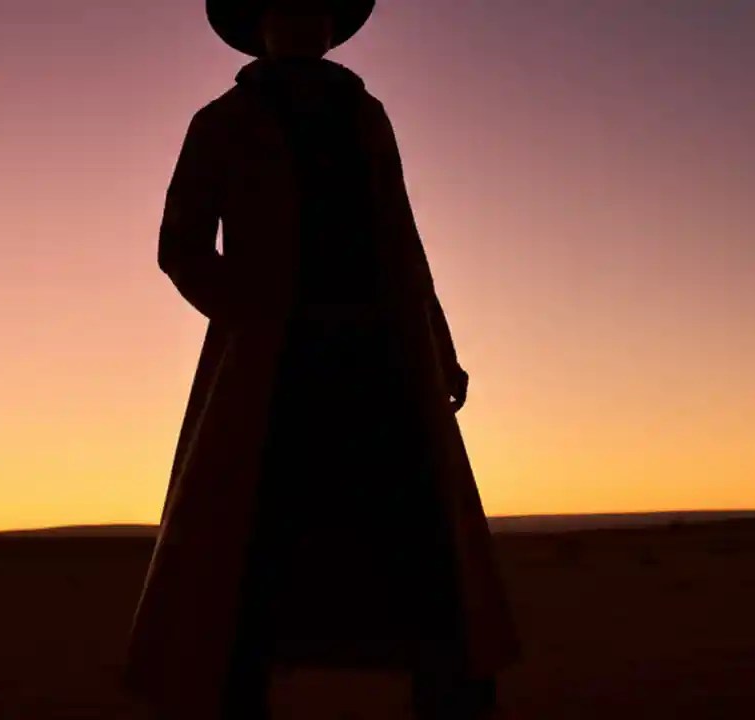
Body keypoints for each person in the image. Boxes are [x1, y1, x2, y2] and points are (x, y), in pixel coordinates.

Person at [123, 1, 520, 718]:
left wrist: (437, 344)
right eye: (288, 6)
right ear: (262, 25)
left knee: (423, 545)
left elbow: (403, 239)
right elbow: (179, 245)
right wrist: (251, 316)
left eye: (318, 7)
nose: (306, 21)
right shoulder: (220, 122)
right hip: (273, 373)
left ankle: (454, 696)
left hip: (382, 360)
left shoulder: (367, 116)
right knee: (252, 547)